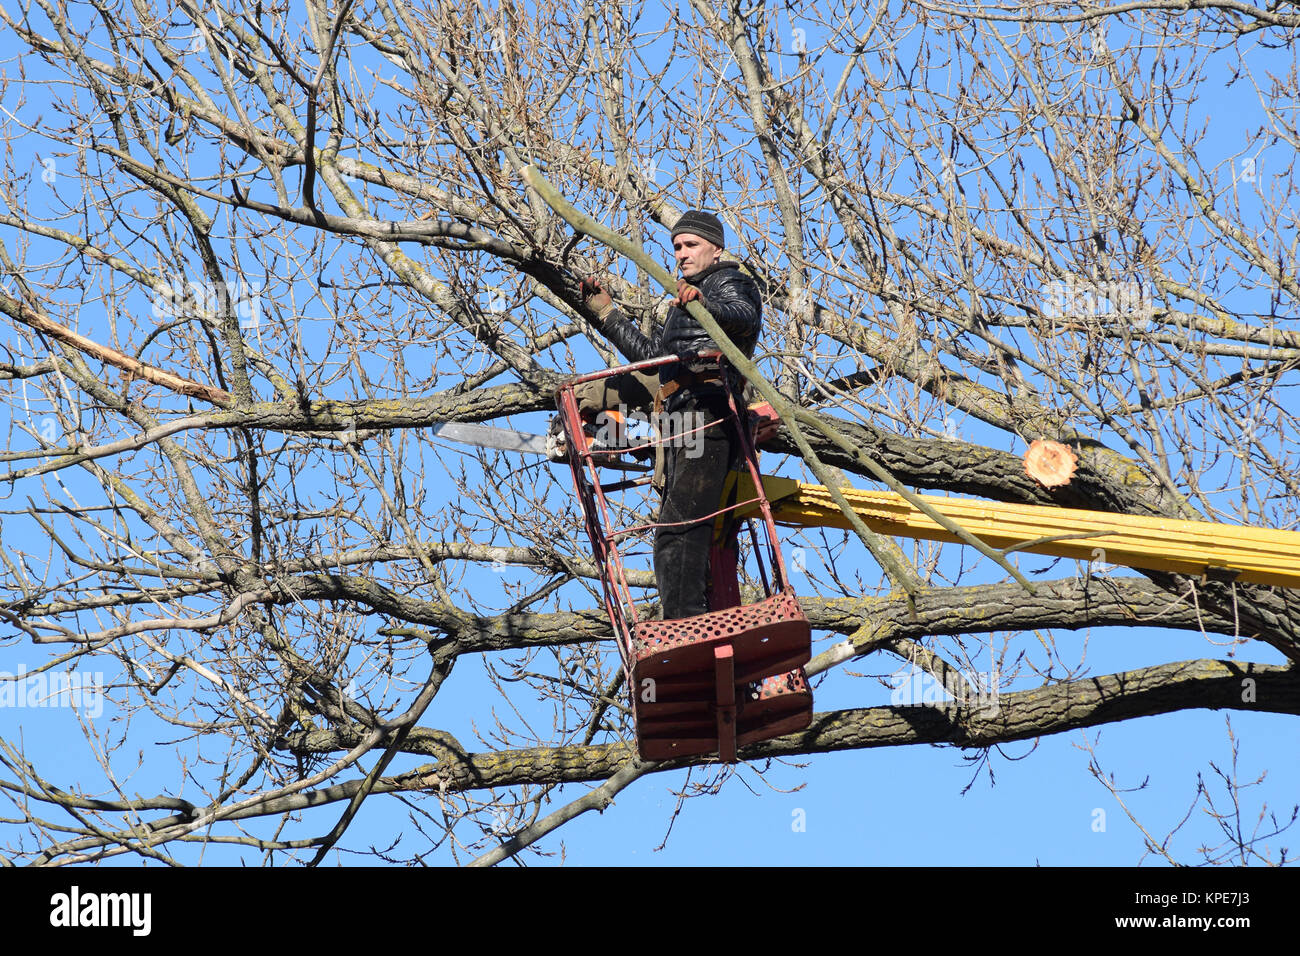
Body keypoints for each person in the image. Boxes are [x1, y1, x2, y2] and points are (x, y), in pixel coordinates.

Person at [578, 210, 762, 620]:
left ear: (716, 249)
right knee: (670, 531)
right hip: (680, 419)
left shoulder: (729, 281)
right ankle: (603, 429)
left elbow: (744, 315)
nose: (681, 253)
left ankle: (687, 624)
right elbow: (656, 362)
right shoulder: (685, 299)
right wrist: (607, 315)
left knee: (682, 527)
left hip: (710, 413)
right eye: (677, 246)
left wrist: (706, 304)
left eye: (691, 244)